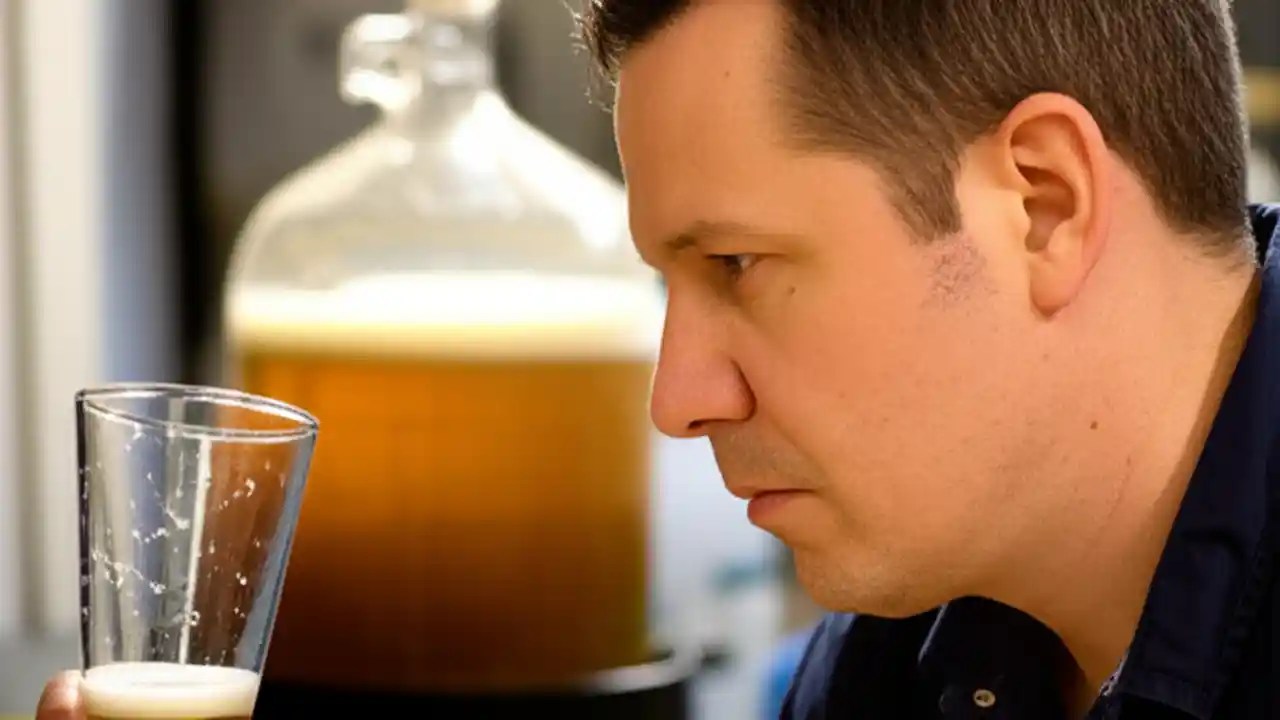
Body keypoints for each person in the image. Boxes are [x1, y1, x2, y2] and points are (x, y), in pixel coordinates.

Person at [33, 1, 1280, 719]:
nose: (677, 401)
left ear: (1043, 203)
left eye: (735, 265)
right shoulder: (908, 651)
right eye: (665, 286)